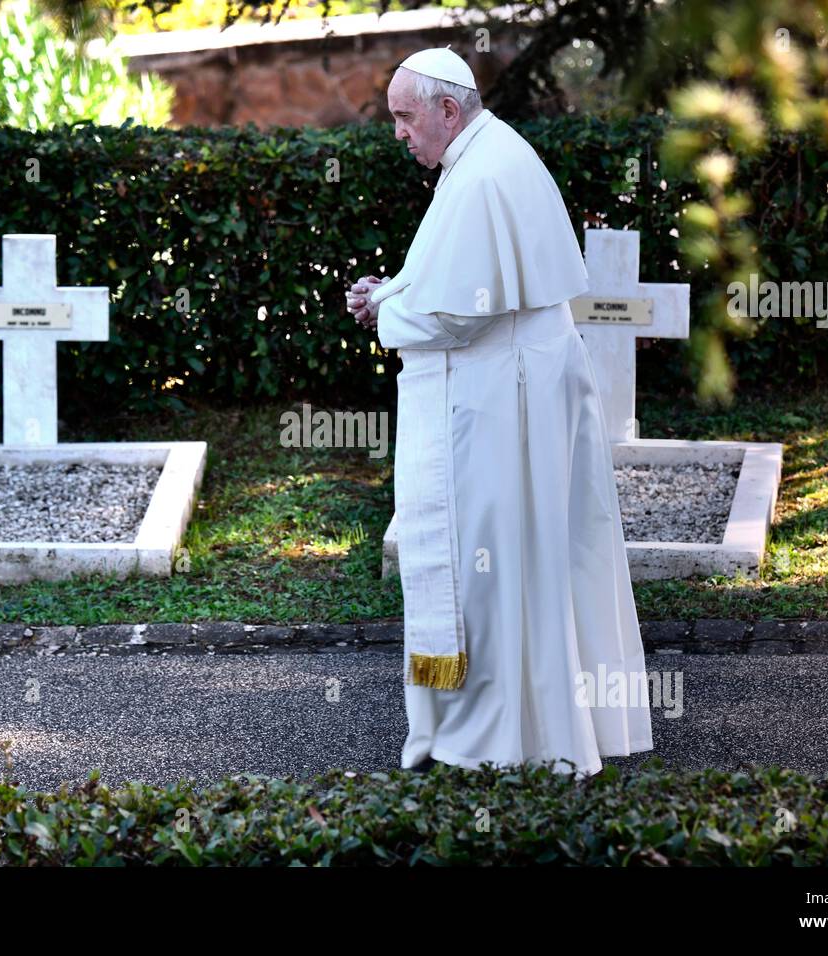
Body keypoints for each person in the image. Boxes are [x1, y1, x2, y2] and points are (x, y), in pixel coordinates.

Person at [347, 47, 654, 778]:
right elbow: (452, 280)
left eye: (404, 117)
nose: (398, 132)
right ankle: (529, 729)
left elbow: (457, 314)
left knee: (497, 563)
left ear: (447, 110)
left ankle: (500, 738)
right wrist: (391, 293)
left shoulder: (483, 173)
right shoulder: (481, 159)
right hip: (516, 389)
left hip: (506, 401)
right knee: (522, 557)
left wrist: (382, 315)